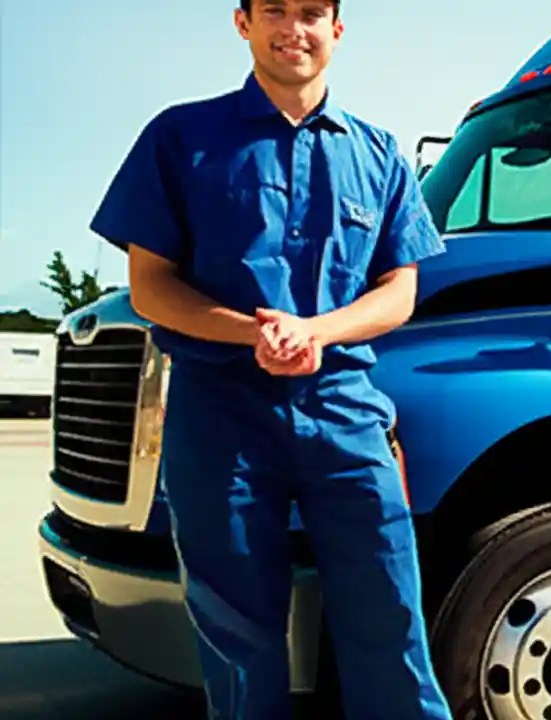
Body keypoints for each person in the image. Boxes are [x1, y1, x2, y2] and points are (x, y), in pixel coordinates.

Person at [88, 1, 453, 718]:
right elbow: (150, 287)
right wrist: (248, 334)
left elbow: (400, 291)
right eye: (276, 11)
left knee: (390, 615)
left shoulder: (379, 155)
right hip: (220, 414)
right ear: (243, 23)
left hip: (346, 411)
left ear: (337, 29)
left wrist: (315, 332)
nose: (296, 29)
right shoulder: (180, 137)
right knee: (237, 632)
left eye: (313, 12)